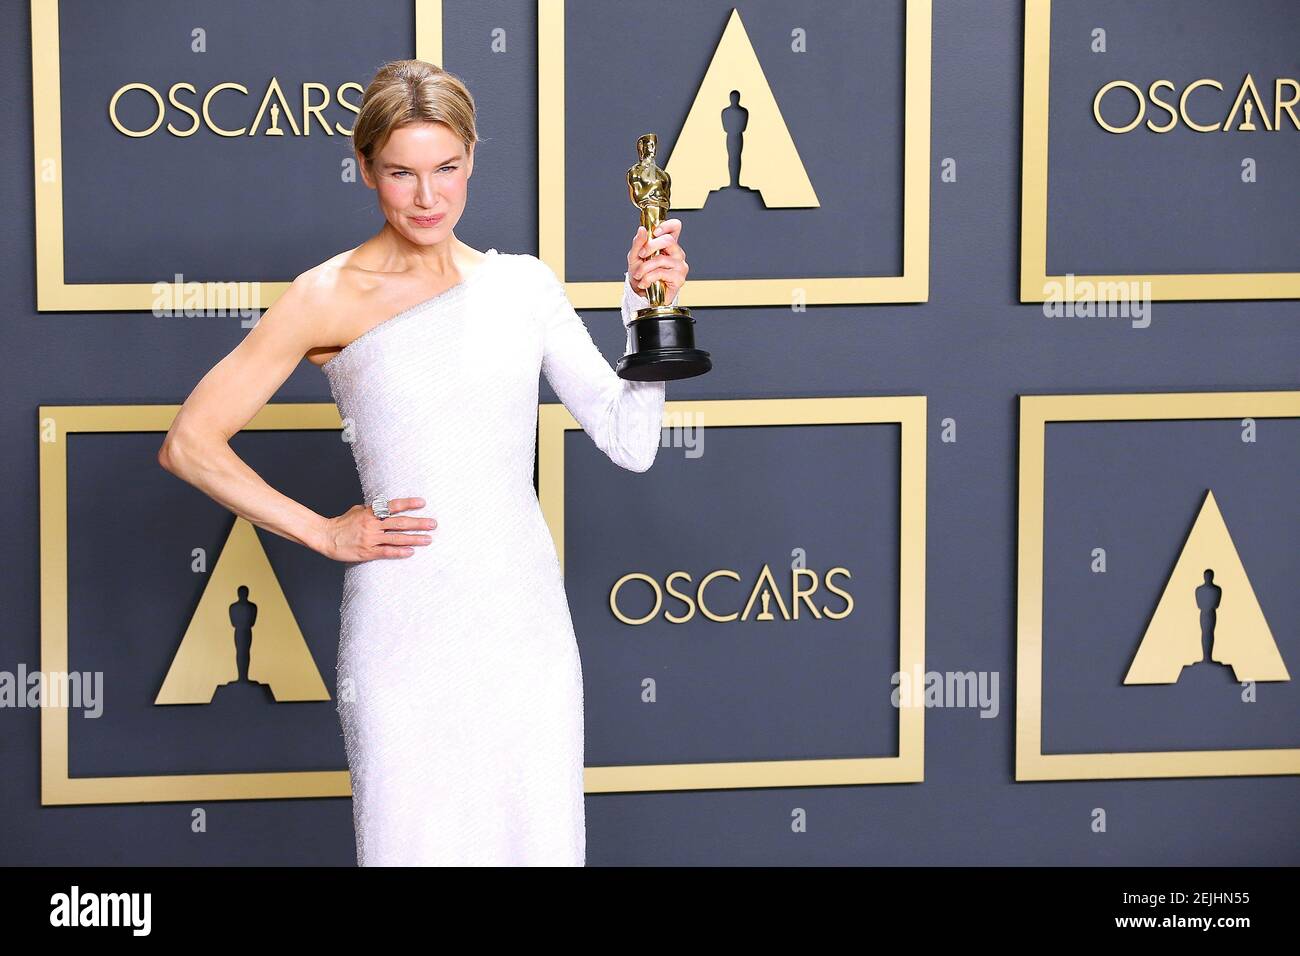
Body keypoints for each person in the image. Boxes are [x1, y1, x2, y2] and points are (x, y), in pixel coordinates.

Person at [157, 59, 690, 865]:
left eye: (446, 169)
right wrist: (323, 533)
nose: (427, 197)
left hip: (525, 629)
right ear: (365, 168)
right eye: (401, 173)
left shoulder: (523, 287)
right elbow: (189, 442)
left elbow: (631, 440)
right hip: (401, 631)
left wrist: (645, 310)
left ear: (472, 158)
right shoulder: (326, 294)